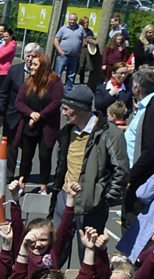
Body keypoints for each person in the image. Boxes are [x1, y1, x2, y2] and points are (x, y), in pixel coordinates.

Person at [52, 84, 130, 259]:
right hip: (65, 197)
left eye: (66, 109)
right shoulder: (67, 131)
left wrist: (104, 198)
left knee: (88, 254)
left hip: (91, 203)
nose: (63, 113)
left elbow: (121, 170)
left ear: (80, 109)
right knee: (57, 249)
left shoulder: (110, 133)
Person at [124, 68, 154, 227]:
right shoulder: (150, 104)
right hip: (139, 172)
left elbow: (150, 149)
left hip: (142, 176)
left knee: (132, 219)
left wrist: (131, 175)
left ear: (137, 87)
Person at [14, 53, 62, 192]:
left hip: (47, 126)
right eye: (32, 64)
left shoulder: (54, 81)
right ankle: (22, 183)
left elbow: (56, 101)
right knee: (26, 157)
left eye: (35, 64)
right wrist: (31, 113)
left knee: (45, 156)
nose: (31, 66)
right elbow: (19, 101)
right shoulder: (29, 81)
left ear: (43, 67)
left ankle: (43, 186)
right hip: (29, 125)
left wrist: (40, 115)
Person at [0, 42, 41, 182]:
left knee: (28, 150)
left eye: (33, 56)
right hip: (12, 116)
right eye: (28, 55)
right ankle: (8, 175)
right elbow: (3, 92)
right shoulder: (14, 70)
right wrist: (0, 113)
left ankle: (23, 176)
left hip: (31, 118)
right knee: (10, 147)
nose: (30, 59)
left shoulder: (42, 74)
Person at [53, 12, 85, 89]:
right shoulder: (63, 28)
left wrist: (80, 50)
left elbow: (84, 39)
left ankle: (68, 91)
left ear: (76, 20)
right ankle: (56, 90)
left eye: (74, 20)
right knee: (58, 74)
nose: (72, 21)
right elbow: (56, 40)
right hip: (63, 55)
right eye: (71, 19)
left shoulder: (80, 28)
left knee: (71, 76)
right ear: (68, 19)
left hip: (74, 56)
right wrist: (59, 50)